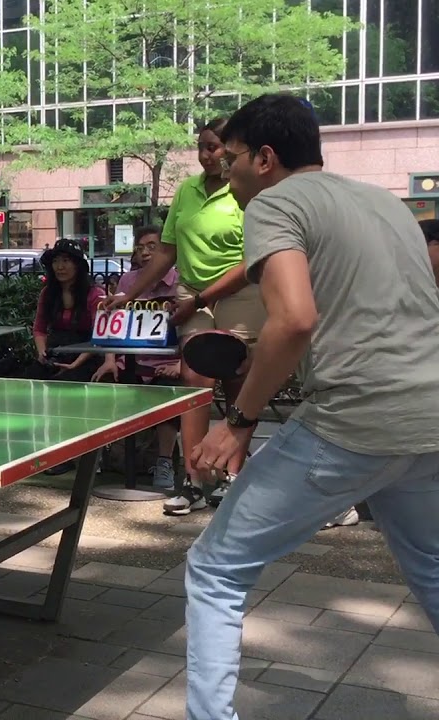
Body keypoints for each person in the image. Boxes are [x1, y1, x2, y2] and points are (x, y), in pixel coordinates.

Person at [183, 93, 439, 720]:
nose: (226, 171)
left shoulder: (273, 203)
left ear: (264, 158)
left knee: (215, 569)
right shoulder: (387, 203)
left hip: (353, 421)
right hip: (430, 415)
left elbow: (294, 319)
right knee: (433, 568)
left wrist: (238, 422)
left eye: (232, 157)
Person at [108, 117, 263, 515]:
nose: (206, 155)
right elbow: (166, 251)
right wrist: (129, 295)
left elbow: (252, 260)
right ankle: (194, 480)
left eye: (214, 147)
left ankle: (230, 476)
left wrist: (201, 299)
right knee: (194, 381)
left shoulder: (247, 190)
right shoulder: (186, 191)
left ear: (232, 149)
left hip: (240, 294)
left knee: (237, 384)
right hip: (191, 295)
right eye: (201, 146)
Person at [92, 227, 181, 490]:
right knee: (98, 385)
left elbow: (192, 328)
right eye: (140, 247)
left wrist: (180, 364)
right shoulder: (127, 281)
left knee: (168, 394)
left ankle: (164, 461)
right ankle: (97, 457)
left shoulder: (181, 282)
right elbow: (112, 321)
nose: (144, 252)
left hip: (167, 364)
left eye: (152, 246)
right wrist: (109, 360)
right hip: (129, 362)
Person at [26, 239, 105, 382]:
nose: (59, 267)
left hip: (87, 355)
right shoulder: (47, 293)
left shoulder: (95, 294)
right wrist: (43, 354)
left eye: (65, 261)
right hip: (55, 353)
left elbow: (99, 336)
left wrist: (75, 364)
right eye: (55, 261)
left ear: (77, 265)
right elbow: (39, 329)